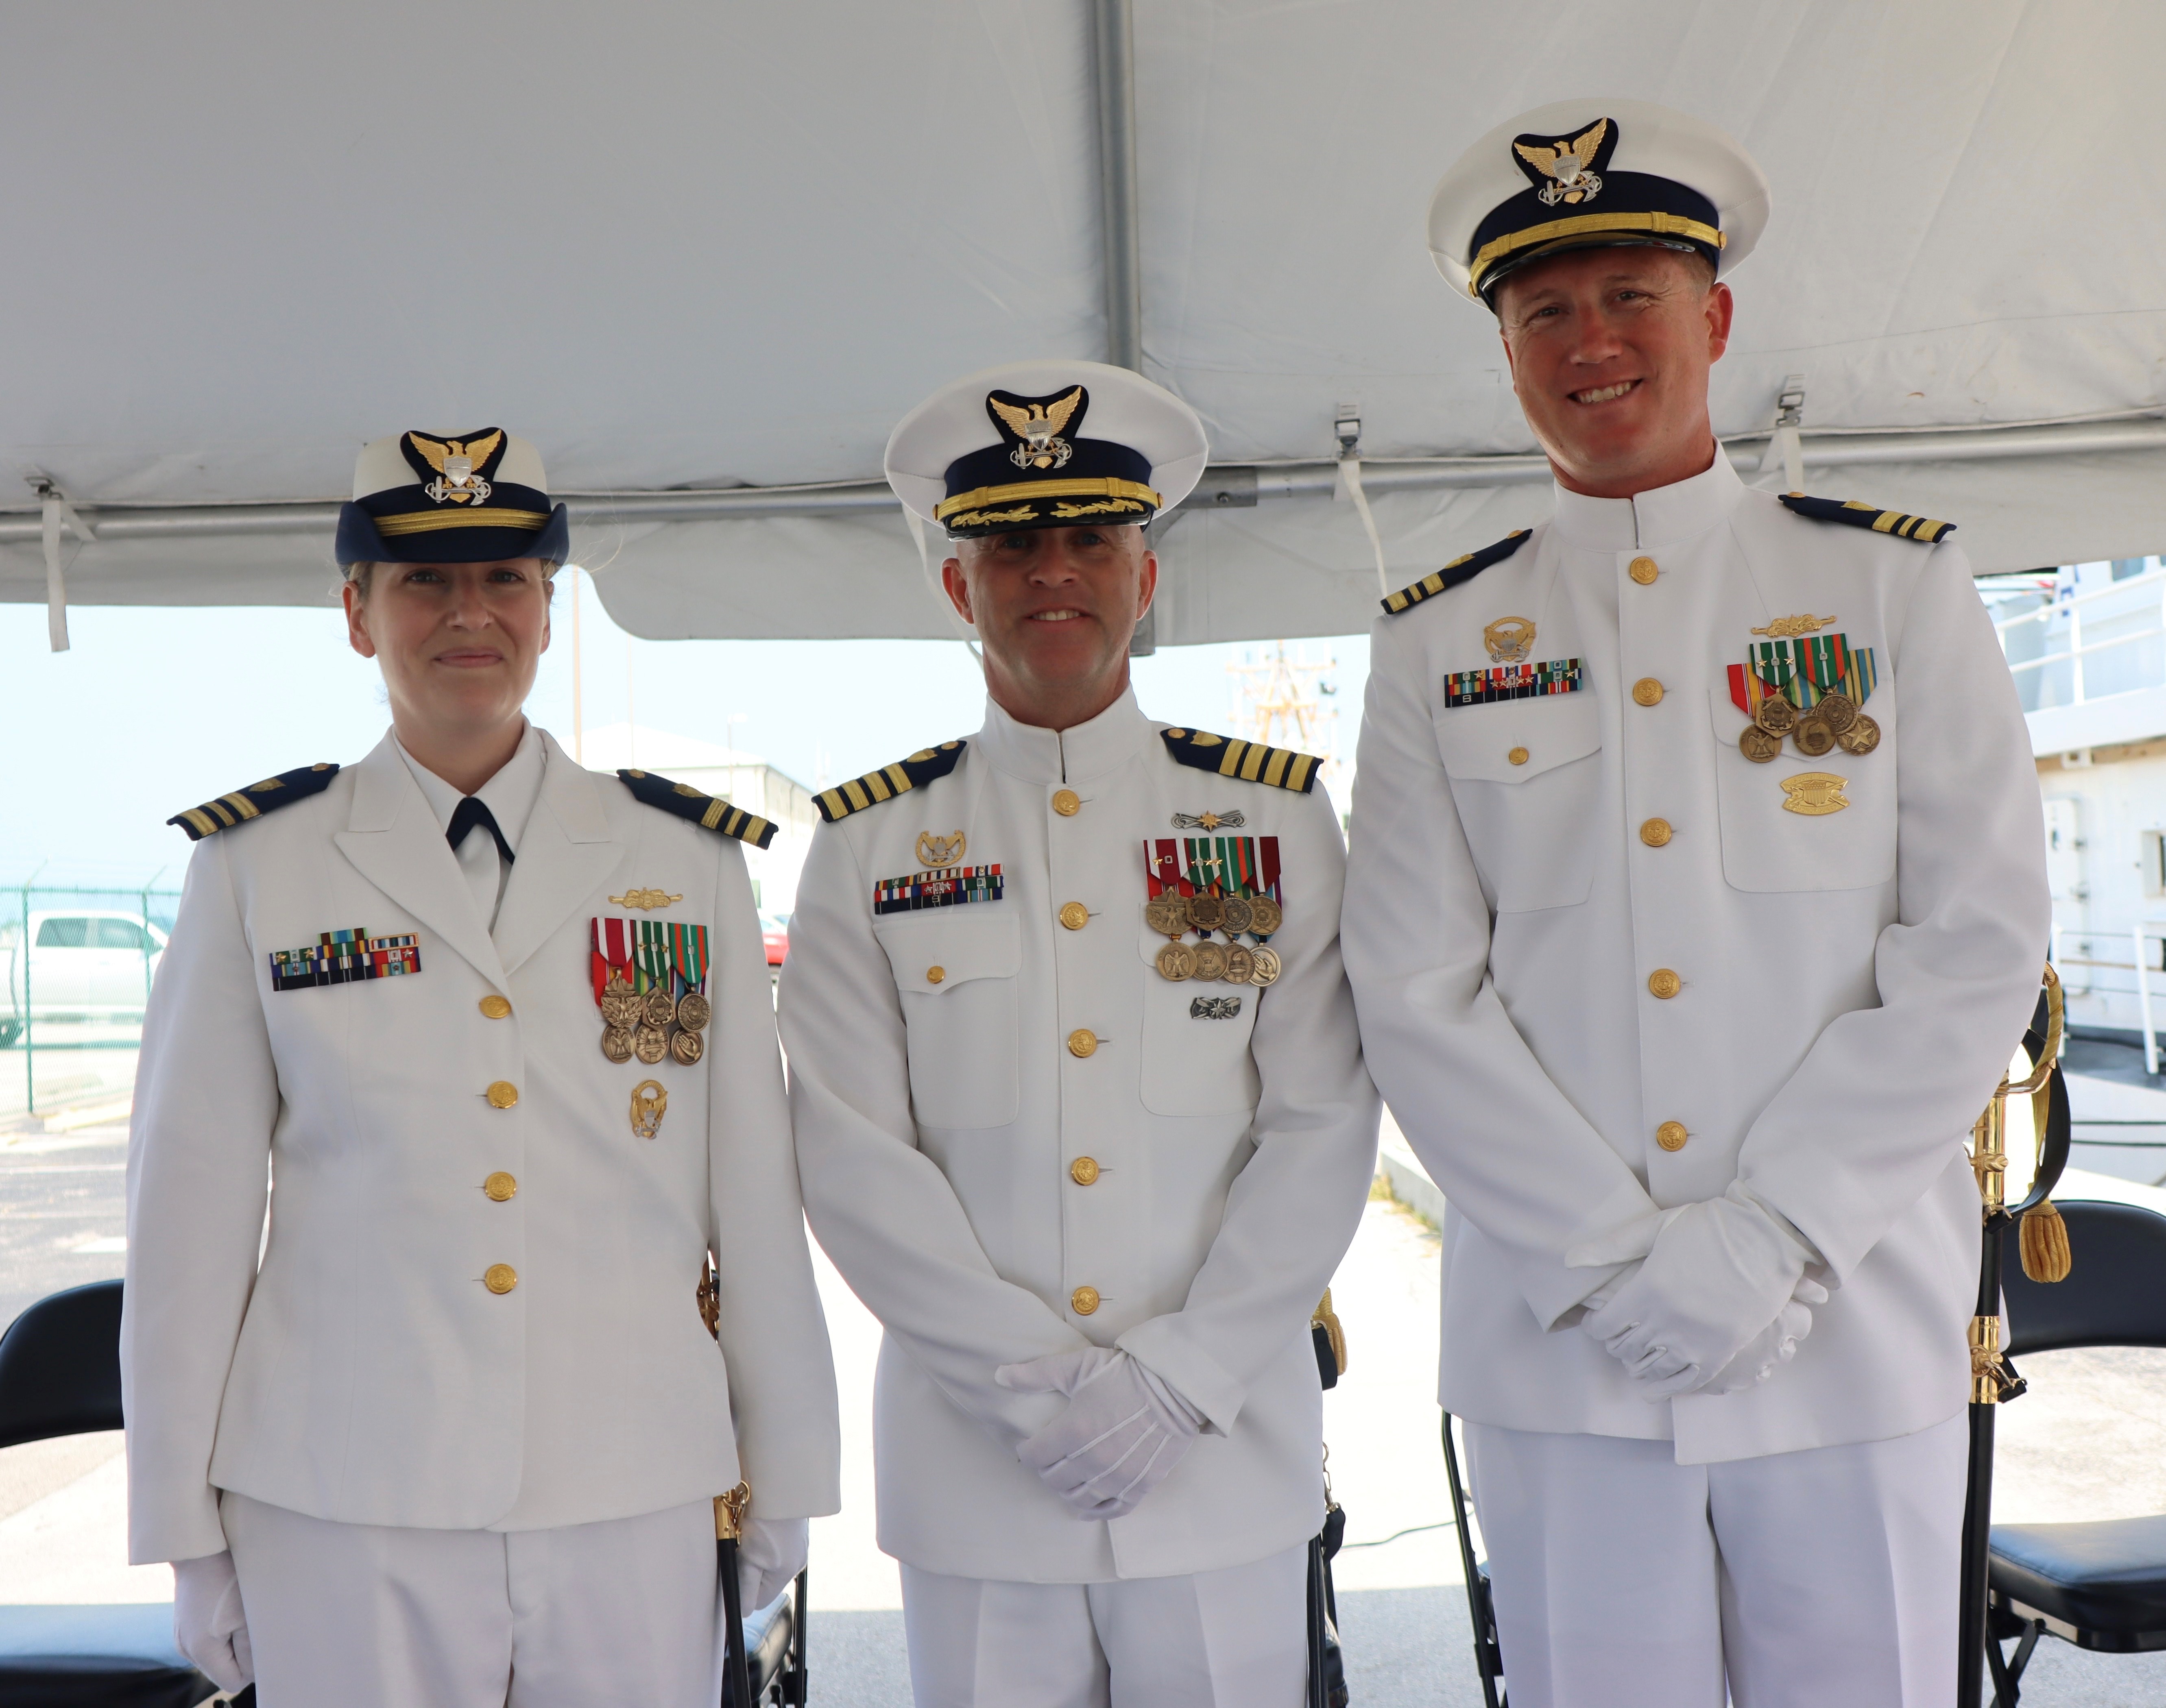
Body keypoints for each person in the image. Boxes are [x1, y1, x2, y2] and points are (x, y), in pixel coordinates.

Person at [1341, 100, 2050, 1708]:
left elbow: (1977, 941)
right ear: (1506, 354)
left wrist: (1776, 1231)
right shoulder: (1437, 641)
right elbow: (1413, 988)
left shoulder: (1888, 587)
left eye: (1629, 297)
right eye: (1544, 312)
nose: (1590, 342)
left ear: (1715, 321)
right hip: (1565, 1350)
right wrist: (1609, 1262)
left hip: (1848, 1327)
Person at [123, 427, 840, 1706]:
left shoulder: (684, 859)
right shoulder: (257, 865)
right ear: (358, 615)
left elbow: (754, 1198)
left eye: (506, 578)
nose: (471, 613)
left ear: (549, 611)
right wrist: (184, 1526)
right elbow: (188, 1219)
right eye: (424, 581)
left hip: (632, 1483)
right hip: (342, 1496)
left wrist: (784, 1471)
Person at [782, 360, 1379, 1706]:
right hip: (981, 1479)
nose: (1054, 571)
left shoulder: (1275, 821)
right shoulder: (871, 844)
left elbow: (1324, 1122)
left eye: (1093, 541)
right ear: (959, 588)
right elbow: (854, 1159)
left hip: (1222, 1458)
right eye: (1012, 546)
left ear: (1145, 577)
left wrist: (1181, 1378)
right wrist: (1034, 1391)